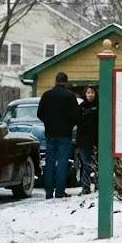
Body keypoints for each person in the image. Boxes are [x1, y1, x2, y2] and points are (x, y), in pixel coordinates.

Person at [37, 72, 80, 200]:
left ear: (55, 81)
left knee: (49, 162)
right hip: (65, 134)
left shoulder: (47, 95)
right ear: (66, 82)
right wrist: (70, 124)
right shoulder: (70, 96)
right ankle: (60, 191)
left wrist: (48, 122)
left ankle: (49, 192)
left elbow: (40, 113)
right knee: (62, 162)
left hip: (50, 133)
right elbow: (76, 115)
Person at [75, 85, 99, 195]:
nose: (90, 95)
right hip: (84, 139)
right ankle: (86, 186)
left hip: (97, 138)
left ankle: (99, 185)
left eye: (92, 92)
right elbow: (77, 121)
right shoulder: (81, 107)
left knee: (98, 163)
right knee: (85, 164)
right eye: (88, 92)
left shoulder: (99, 106)